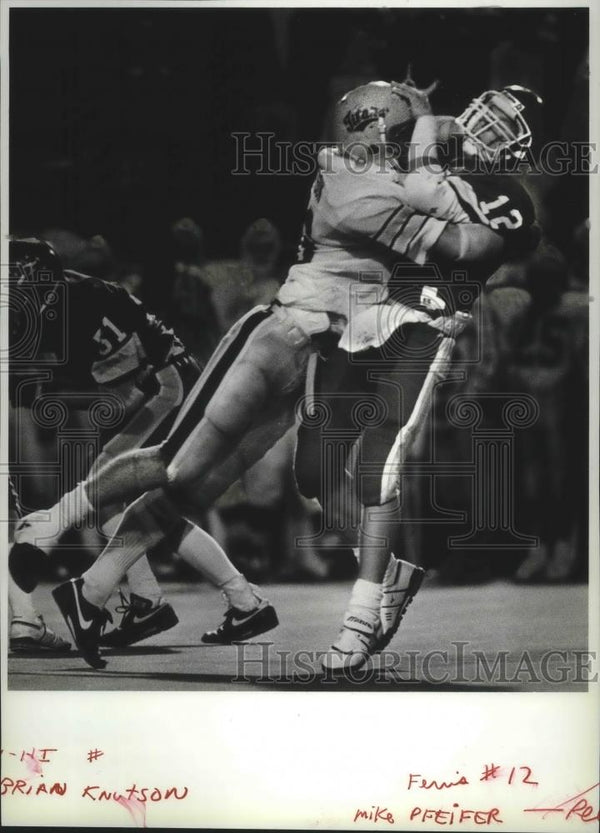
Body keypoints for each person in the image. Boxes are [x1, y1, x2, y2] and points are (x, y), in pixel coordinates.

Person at [10, 81, 528, 669]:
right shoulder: (362, 183)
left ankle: (104, 590)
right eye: (403, 132)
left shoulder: (371, 168)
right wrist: (436, 136)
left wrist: (438, 143)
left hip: (332, 344)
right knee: (180, 461)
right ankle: (52, 525)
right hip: (287, 331)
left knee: (204, 484)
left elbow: (440, 203)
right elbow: (452, 225)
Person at [295, 82, 542, 671]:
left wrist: (425, 123)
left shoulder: (509, 197)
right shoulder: (410, 156)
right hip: (362, 308)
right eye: (488, 113)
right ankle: (390, 573)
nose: (486, 127)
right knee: (314, 469)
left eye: (506, 126)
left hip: (427, 320)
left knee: (380, 460)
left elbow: (429, 199)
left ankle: (360, 617)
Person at [8, 239, 276, 665]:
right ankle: (209, 600)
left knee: (112, 491)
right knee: (122, 499)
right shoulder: (66, 298)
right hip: (159, 387)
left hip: (166, 390)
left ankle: (218, 598)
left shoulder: (78, 309)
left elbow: (118, 391)